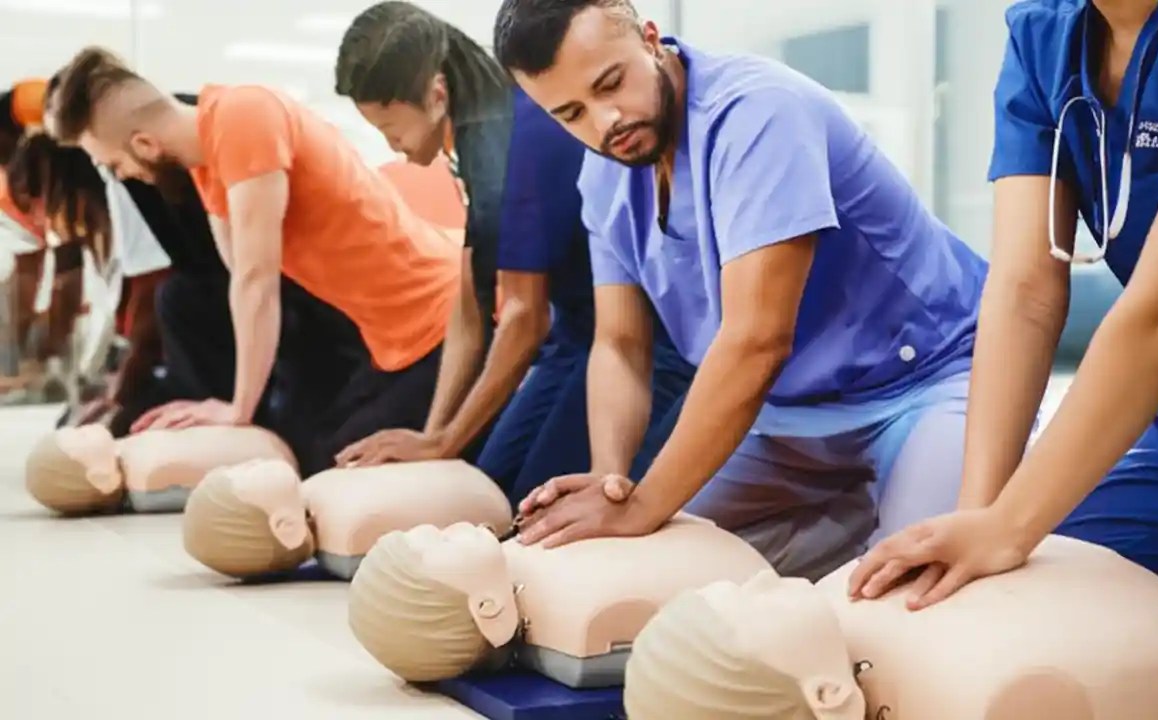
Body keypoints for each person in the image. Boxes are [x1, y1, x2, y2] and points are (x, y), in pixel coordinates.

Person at [845, 0, 1158, 716]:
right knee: (1056, 626)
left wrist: (1014, 524)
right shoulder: (1044, 35)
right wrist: (983, 515)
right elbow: (1023, 290)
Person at [495, 0, 989, 581]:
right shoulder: (603, 176)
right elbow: (621, 345)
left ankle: (889, 502)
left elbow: (757, 341)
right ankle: (850, 512)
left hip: (926, 380)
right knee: (640, 574)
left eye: (612, 83)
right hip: (787, 414)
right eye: (571, 113)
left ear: (651, 40)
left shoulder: (757, 111)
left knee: (906, 589)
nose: (604, 122)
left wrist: (649, 505)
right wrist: (614, 482)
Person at [330, 2, 694, 503]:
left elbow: (524, 317)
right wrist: (435, 437)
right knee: (491, 484)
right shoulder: (473, 147)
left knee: (521, 501)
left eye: (391, 130)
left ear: (437, 94)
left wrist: (442, 443)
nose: (392, 147)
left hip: (641, 340)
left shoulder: (521, 131)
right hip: (574, 340)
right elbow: (469, 305)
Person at [49, 46, 463, 477]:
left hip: (443, 324)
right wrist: (231, 405)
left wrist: (236, 409)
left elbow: (256, 280)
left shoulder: (243, 115)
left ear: (145, 145)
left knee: (338, 465)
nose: (122, 176)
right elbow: (239, 280)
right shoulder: (205, 160)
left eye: (114, 164)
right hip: (394, 347)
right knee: (313, 451)